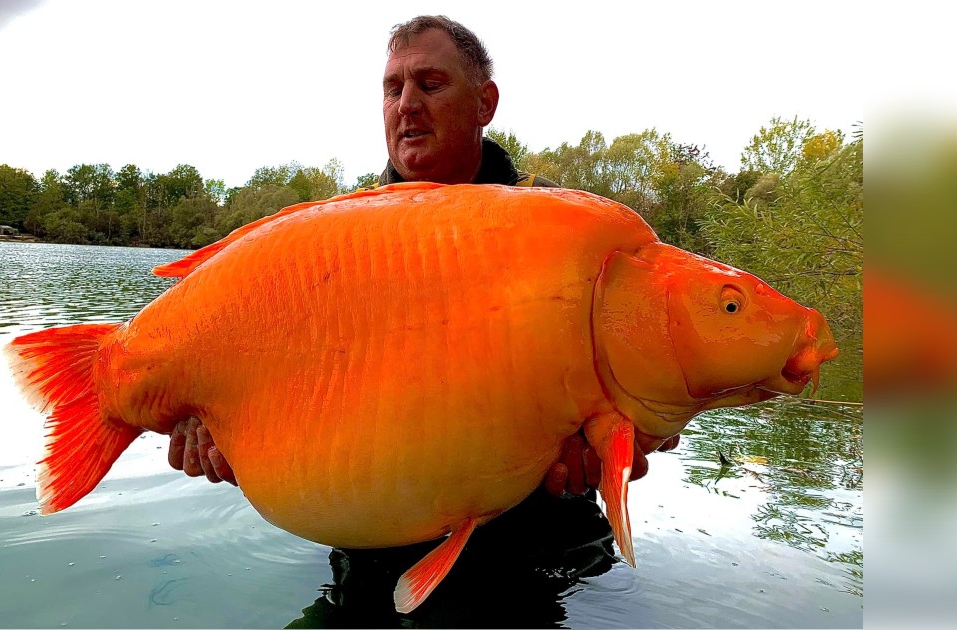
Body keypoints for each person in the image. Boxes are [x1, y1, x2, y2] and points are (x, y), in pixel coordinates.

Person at [165, 14, 679, 512]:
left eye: (431, 84)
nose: (407, 105)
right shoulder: (335, 240)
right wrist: (224, 432)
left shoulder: (571, 230)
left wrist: (646, 428)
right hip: (375, 525)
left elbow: (665, 377)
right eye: (393, 90)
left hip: (544, 535)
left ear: (485, 103)